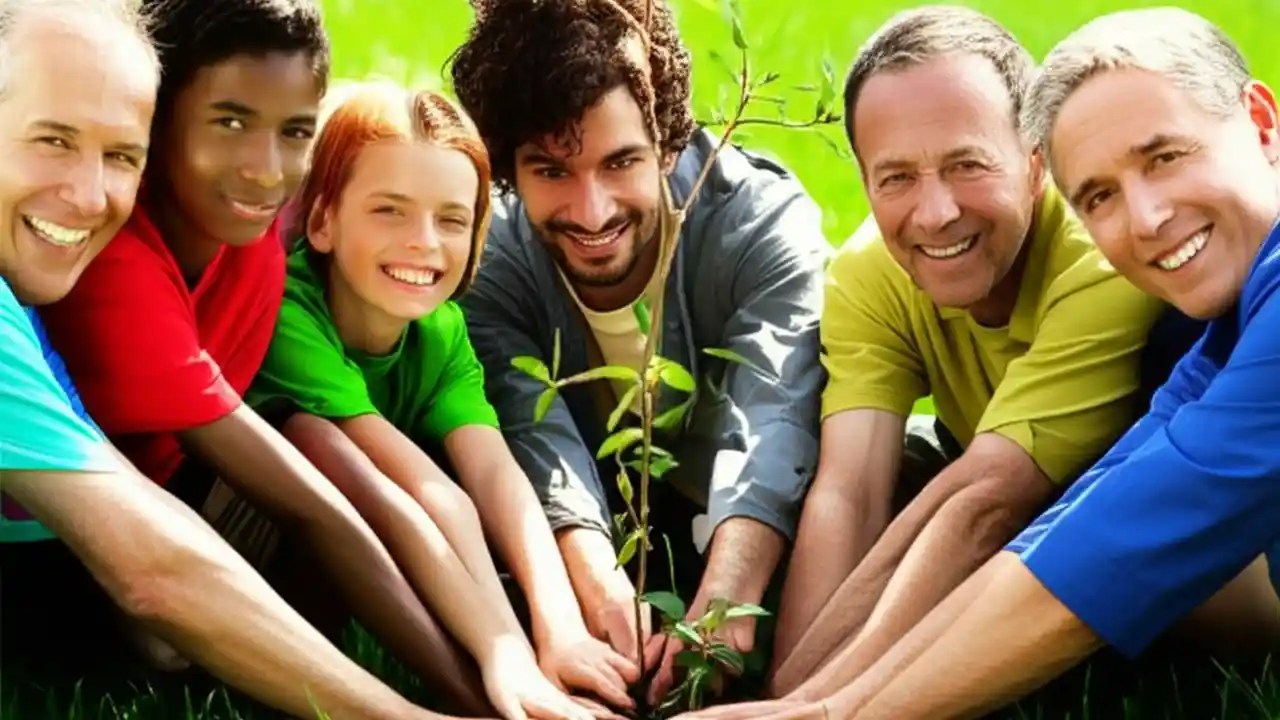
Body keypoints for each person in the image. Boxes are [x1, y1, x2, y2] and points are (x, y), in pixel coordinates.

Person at [681, 8, 1280, 720]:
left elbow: (1105, 537)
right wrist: (810, 699)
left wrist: (829, 713)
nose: (1146, 217)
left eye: (1166, 157)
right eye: (1101, 195)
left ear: (1262, 122)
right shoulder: (1228, 332)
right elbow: (1095, 516)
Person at [36, 1, 559, 717]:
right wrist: (485, 693)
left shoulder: (253, 256)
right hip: (70, 549)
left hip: (179, 505)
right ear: (159, 121)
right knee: (316, 445)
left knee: (320, 447)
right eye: (229, 122)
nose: (263, 169)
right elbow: (317, 507)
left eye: (293, 134)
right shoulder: (120, 272)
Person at [764, 4, 1174, 701]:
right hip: (1024, 530)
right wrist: (782, 687)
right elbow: (850, 490)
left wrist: (811, 706)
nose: (936, 213)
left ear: (1036, 161)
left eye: (967, 164)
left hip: (1177, 541)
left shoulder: (1101, 250)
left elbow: (990, 497)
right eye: (896, 177)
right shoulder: (869, 272)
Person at [447, 0, 828, 704]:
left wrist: (726, 596)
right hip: (603, 517)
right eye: (551, 172)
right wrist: (594, 584)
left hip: (739, 522)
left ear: (670, 142)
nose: (591, 212)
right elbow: (532, 426)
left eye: (621, 162)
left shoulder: (759, 222)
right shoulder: (488, 258)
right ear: (508, 169)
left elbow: (775, 413)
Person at [246, 80, 638, 715]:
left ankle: (526, 670)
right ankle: (494, 691)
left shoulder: (441, 331)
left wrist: (559, 624)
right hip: (252, 551)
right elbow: (431, 492)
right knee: (322, 443)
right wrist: (508, 647)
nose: (424, 241)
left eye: (451, 219)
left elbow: (494, 473)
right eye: (389, 210)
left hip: (367, 560)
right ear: (321, 221)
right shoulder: (288, 309)